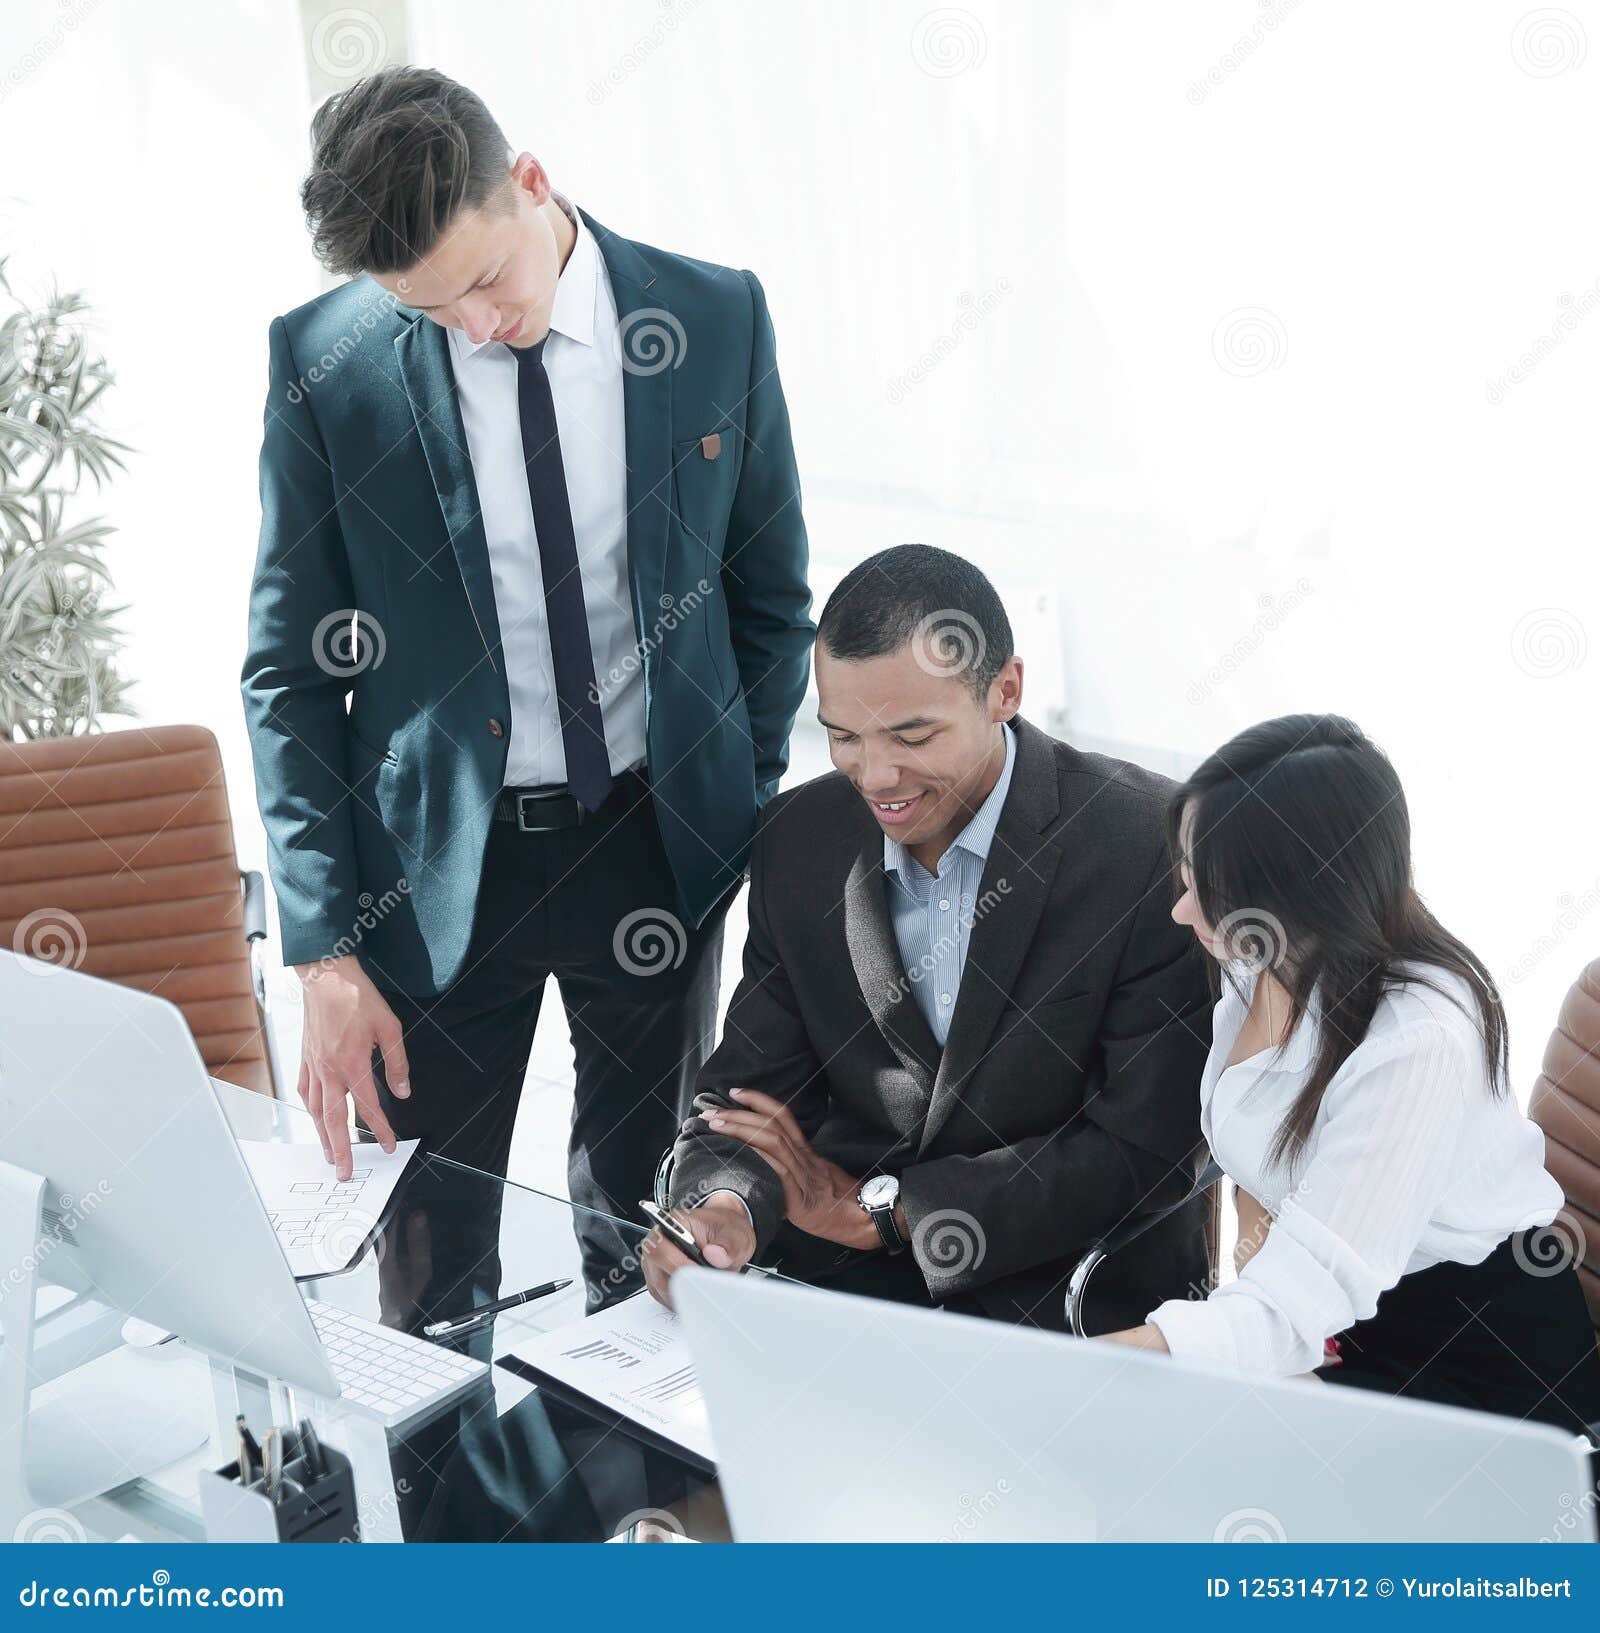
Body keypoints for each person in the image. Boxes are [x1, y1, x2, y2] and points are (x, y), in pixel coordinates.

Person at [240, 67, 813, 1254]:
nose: (476, 326)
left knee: (647, 1245)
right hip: (430, 875)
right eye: (429, 309)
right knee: (427, 1262)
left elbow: (770, 598)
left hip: (655, 849)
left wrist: (730, 793)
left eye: (487, 280)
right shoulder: (324, 360)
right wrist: (323, 950)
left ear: (534, 182)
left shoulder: (713, 316)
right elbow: (289, 673)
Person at [641, 544, 1213, 1331]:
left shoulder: (1149, 844)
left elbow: (1145, 1147)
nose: (875, 776)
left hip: (1072, 1305)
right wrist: (723, 1208)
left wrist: (895, 1212)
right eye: (843, 736)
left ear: (1005, 690)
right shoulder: (795, 841)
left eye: (911, 736)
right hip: (842, 1296)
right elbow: (745, 1099)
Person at [1097, 714, 1600, 1438]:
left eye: (1210, 887)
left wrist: (1118, 1361)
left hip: (1479, 1363)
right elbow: (1258, 1161)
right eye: (1187, 873)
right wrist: (1258, 1272)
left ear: (1301, 892)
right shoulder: (1263, 959)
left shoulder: (1421, 1036)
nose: (1181, 910)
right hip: (1346, 1321)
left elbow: (1306, 1289)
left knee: (1185, 1439)